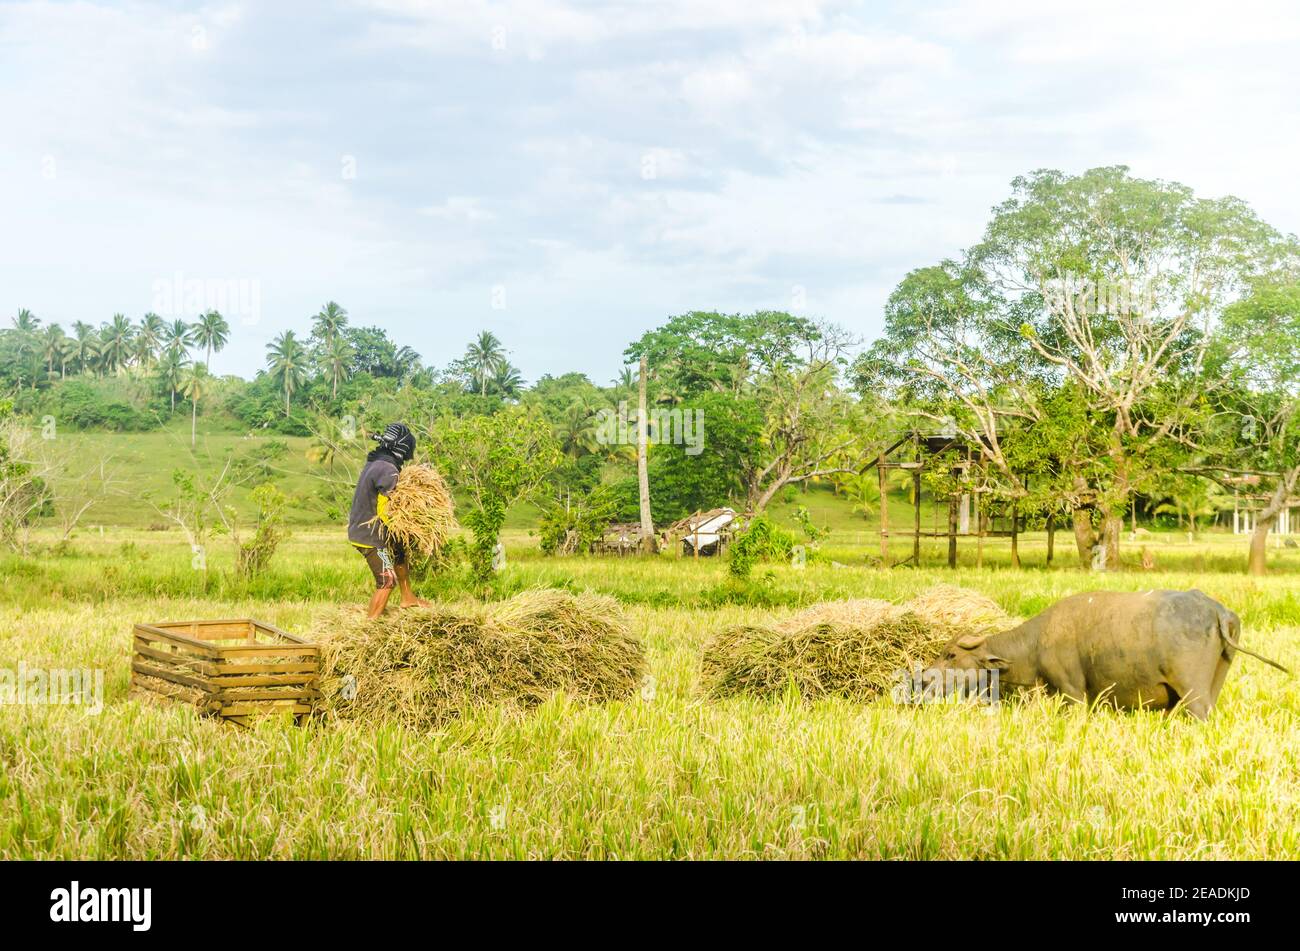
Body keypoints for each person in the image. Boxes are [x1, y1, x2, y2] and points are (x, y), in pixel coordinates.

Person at [348, 422, 431, 618]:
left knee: (400, 553)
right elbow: (384, 510)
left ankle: (408, 597)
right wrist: (406, 526)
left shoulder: (377, 463)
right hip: (370, 537)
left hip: (367, 531)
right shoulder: (388, 469)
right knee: (387, 579)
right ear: (403, 447)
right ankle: (370, 626)